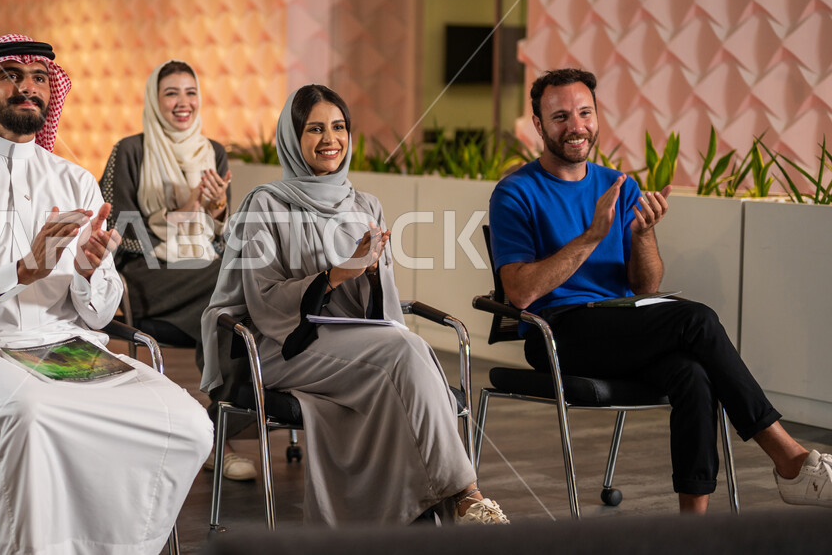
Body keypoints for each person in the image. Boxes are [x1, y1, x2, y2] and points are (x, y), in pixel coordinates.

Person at [0, 34, 211, 554]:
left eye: (40, 77)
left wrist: (89, 272)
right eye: (11, 75)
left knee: (190, 423)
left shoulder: (76, 181)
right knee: (31, 414)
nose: (28, 87)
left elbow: (100, 312)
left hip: (62, 345)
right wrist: (15, 274)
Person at [488, 67, 832, 513]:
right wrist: (592, 236)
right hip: (558, 333)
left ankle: (692, 530)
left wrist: (643, 233)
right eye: (560, 117)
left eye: (584, 113)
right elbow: (519, 295)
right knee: (697, 319)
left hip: (622, 324)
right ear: (538, 124)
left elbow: (645, 287)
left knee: (692, 372)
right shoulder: (515, 193)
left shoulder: (619, 184)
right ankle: (788, 458)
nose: (576, 126)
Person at [201, 84, 508, 526]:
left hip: (351, 342)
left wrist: (368, 274)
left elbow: (376, 311)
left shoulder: (366, 205)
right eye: (315, 129)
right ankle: (465, 495)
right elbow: (264, 302)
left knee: (406, 354)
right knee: (405, 353)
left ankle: (417, 515)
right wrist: (335, 274)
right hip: (280, 347)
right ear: (292, 137)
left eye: (339, 127)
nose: (331, 139)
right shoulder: (263, 205)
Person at [99, 60, 254, 481]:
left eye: (190, 92)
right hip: (144, 275)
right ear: (154, 98)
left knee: (227, 288)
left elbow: (221, 238)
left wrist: (216, 209)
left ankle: (214, 429)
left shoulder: (214, 152)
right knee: (232, 283)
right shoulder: (130, 150)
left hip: (200, 272)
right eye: (171, 93)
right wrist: (185, 210)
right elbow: (115, 231)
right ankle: (223, 430)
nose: (182, 102)